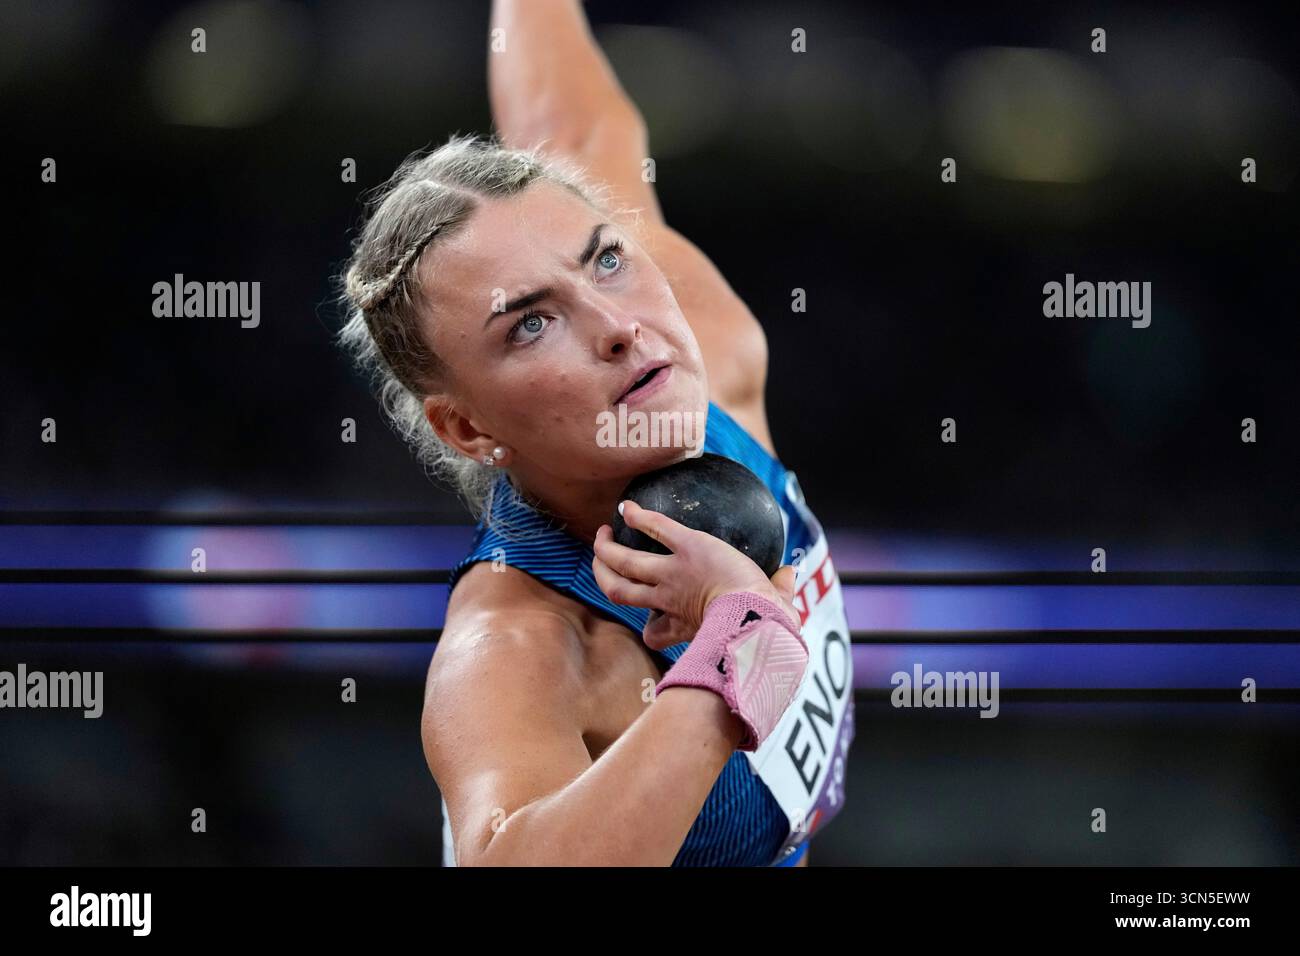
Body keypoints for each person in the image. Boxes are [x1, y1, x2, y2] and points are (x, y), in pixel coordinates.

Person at [337, 0, 855, 866]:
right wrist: (742, 649)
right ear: (466, 426)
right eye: (529, 325)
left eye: (605, 257)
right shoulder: (520, 646)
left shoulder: (704, 343)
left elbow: (564, 122)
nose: (618, 325)